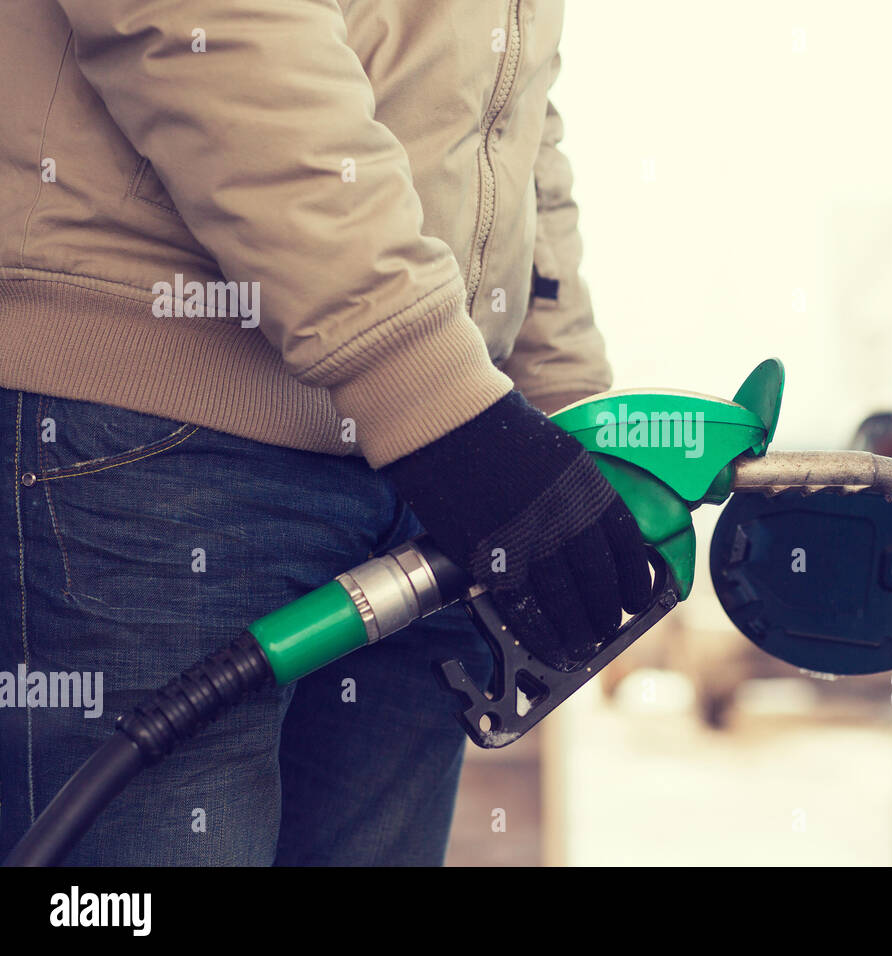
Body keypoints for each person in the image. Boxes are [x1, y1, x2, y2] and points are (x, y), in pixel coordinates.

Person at [0, 0, 648, 865]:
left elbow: (508, 101)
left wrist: (558, 404)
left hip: (429, 457)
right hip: (169, 438)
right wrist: (439, 397)